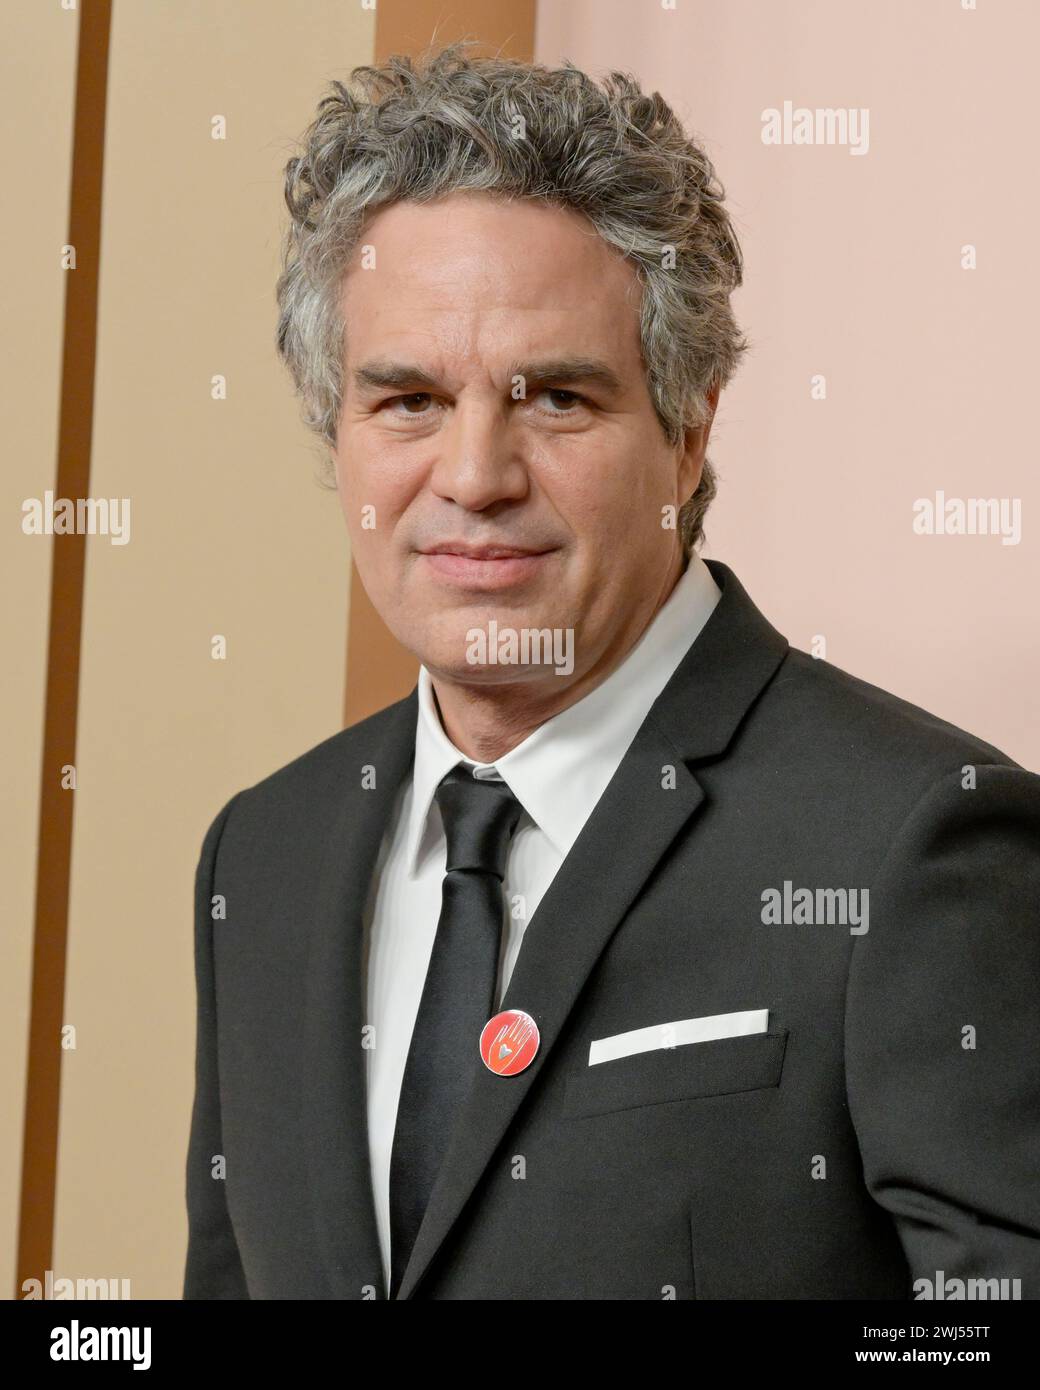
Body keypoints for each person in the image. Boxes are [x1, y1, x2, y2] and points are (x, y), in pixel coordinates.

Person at [183, 42, 1040, 1300]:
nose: (473, 476)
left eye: (557, 401)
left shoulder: (916, 840)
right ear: (339, 432)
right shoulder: (261, 853)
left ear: (686, 433)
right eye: (407, 400)